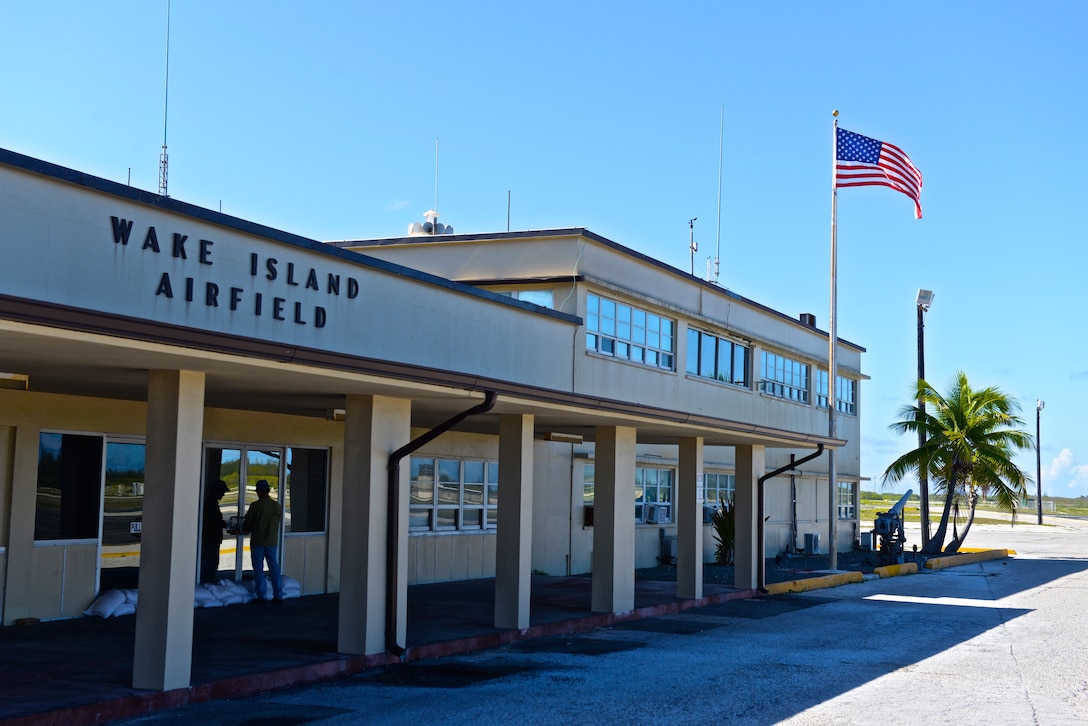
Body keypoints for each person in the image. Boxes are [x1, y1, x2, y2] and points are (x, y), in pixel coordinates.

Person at [242, 479, 283, 603]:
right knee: (274, 567)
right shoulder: (276, 506)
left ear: (259, 491)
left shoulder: (255, 506)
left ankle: (262, 595)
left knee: (258, 568)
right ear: (268, 491)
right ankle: (278, 594)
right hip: (272, 541)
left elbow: (248, 523)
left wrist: (243, 530)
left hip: (258, 541)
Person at [200, 479, 229, 584]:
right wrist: (224, 524)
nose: (223, 494)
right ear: (216, 491)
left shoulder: (211, 503)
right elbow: (212, 521)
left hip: (211, 538)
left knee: (212, 562)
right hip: (210, 538)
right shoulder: (210, 504)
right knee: (211, 562)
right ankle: (208, 582)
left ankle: (208, 580)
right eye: (222, 492)